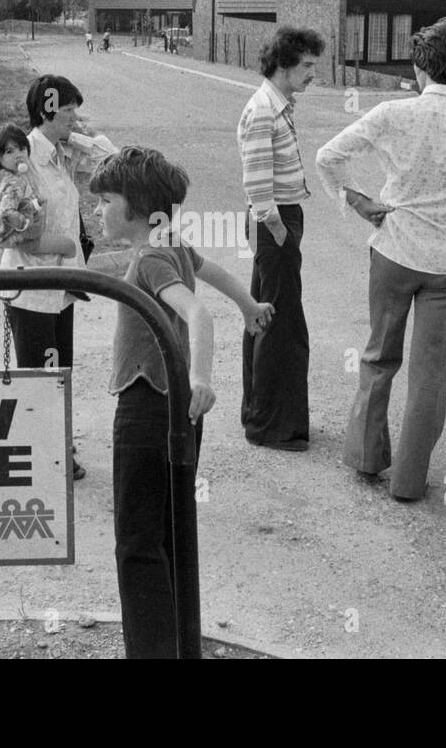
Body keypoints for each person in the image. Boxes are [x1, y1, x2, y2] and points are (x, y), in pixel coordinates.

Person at [89, 146, 273, 658]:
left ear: (137, 207)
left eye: (106, 200)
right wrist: (249, 305)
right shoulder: (170, 243)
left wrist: (201, 377)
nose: (98, 211)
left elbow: (197, 313)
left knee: (137, 541)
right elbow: (213, 272)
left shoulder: (151, 256)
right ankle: (173, 642)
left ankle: (152, 650)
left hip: (147, 404)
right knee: (168, 529)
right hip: (175, 411)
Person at [317, 17, 446, 501]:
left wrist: (358, 201)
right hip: (444, 264)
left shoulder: (391, 114)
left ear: (421, 67)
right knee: (430, 375)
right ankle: (409, 481)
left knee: (379, 356)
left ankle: (366, 458)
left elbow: (328, 157)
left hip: (393, 250)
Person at [0, 75, 115, 480]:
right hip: (32, 288)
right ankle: (45, 455)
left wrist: (75, 138)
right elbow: (10, 230)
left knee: (59, 372)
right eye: (67, 111)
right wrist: (63, 245)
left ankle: (57, 442)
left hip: (61, 287)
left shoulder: (61, 156)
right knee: (39, 377)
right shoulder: (23, 163)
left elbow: (112, 158)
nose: (74, 119)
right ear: (46, 111)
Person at [237, 26, 323, 451]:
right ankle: (271, 426)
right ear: (283, 64)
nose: (312, 73)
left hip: (281, 220)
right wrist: (280, 233)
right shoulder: (263, 110)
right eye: (306, 65)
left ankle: (260, 413)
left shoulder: (277, 105)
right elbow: (257, 187)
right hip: (275, 222)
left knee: (265, 314)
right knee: (281, 325)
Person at [0, 124, 76, 259]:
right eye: (10, 152)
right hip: (24, 238)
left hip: (0, 233)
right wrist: (24, 223)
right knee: (69, 246)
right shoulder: (14, 184)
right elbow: (6, 212)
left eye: (22, 149)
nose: (18, 155)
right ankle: (69, 269)